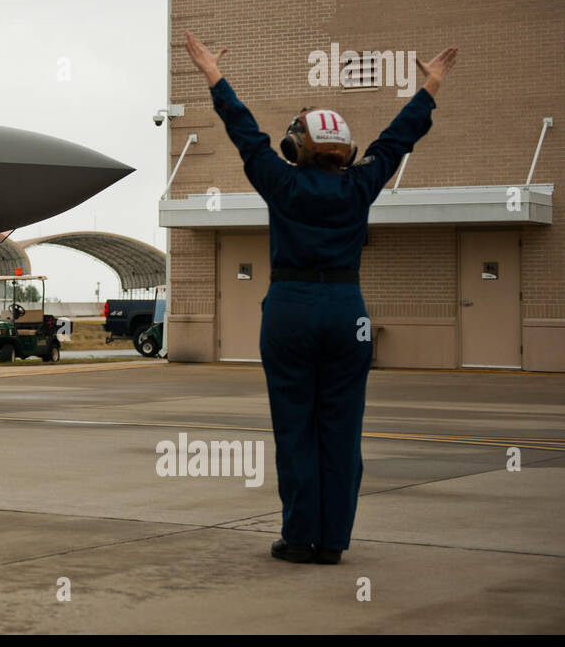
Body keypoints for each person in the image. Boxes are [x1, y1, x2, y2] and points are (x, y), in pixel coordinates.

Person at [184, 31, 458, 565]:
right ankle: (333, 541)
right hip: (346, 309)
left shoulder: (281, 184)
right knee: (341, 427)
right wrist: (429, 88)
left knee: (295, 426)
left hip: (289, 307)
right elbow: (396, 141)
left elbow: (245, 135)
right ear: (344, 149)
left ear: (298, 146)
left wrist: (213, 75)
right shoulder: (361, 185)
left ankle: (301, 535)